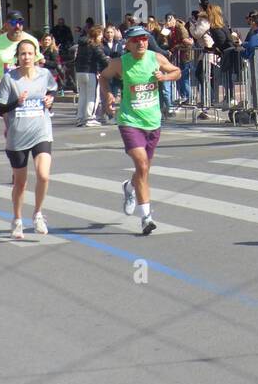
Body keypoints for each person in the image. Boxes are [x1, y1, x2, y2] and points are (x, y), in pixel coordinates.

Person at [101, 27, 180, 235]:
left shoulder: (156, 58)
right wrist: (108, 96)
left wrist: (164, 78)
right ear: (127, 44)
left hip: (153, 122)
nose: (141, 43)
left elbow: (177, 71)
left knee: (143, 171)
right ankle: (146, 218)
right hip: (129, 121)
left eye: (144, 39)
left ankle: (129, 187)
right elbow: (103, 77)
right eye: (136, 40)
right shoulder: (121, 62)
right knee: (142, 165)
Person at [0, 39, 57, 239]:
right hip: (17, 136)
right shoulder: (9, 79)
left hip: (41, 131)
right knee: (20, 183)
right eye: (22, 54)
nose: (26, 57)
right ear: (17, 57)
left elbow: (52, 90)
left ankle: (38, 213)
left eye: (30, 53)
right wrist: (17, 102)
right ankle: (17, 219)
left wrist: (50, 99)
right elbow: (0, 108)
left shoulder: (44, 74)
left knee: (43, 175)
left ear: (36, 55)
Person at [0, 11, 40, 93]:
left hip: (26, 89)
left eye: (20, 22)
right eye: (13, 23)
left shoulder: (32, 40)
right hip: (3, 90)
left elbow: (36, 66)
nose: (17, 26)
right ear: (6, 25)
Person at [74, 25, 106, 126]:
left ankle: (80, 118)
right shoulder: (95, 45)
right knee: (93, 96)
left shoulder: (82, 44)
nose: (101, 37)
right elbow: (102, 59)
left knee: (83, 95)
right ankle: (90, 118)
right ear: (96, 35)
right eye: (100, 34)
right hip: (90, 72)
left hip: (80, 72)